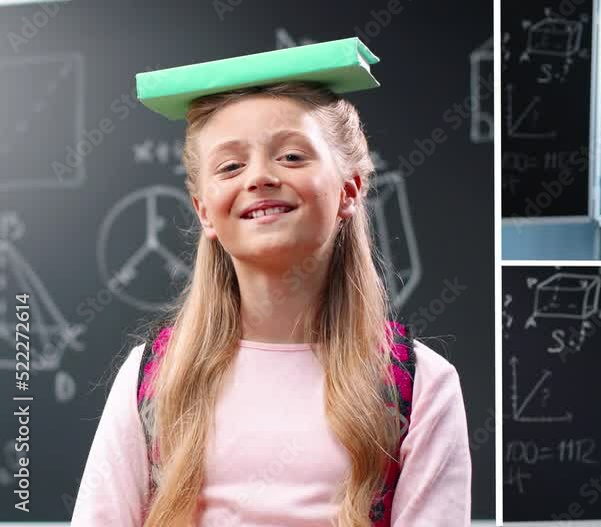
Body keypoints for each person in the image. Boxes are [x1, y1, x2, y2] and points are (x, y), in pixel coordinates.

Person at [71, 39, 472, 526]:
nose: (259, 177)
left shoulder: (421, 384)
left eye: (292, 157)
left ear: (350, 190)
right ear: (205, 212)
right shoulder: (154, 377)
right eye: (231, 166)